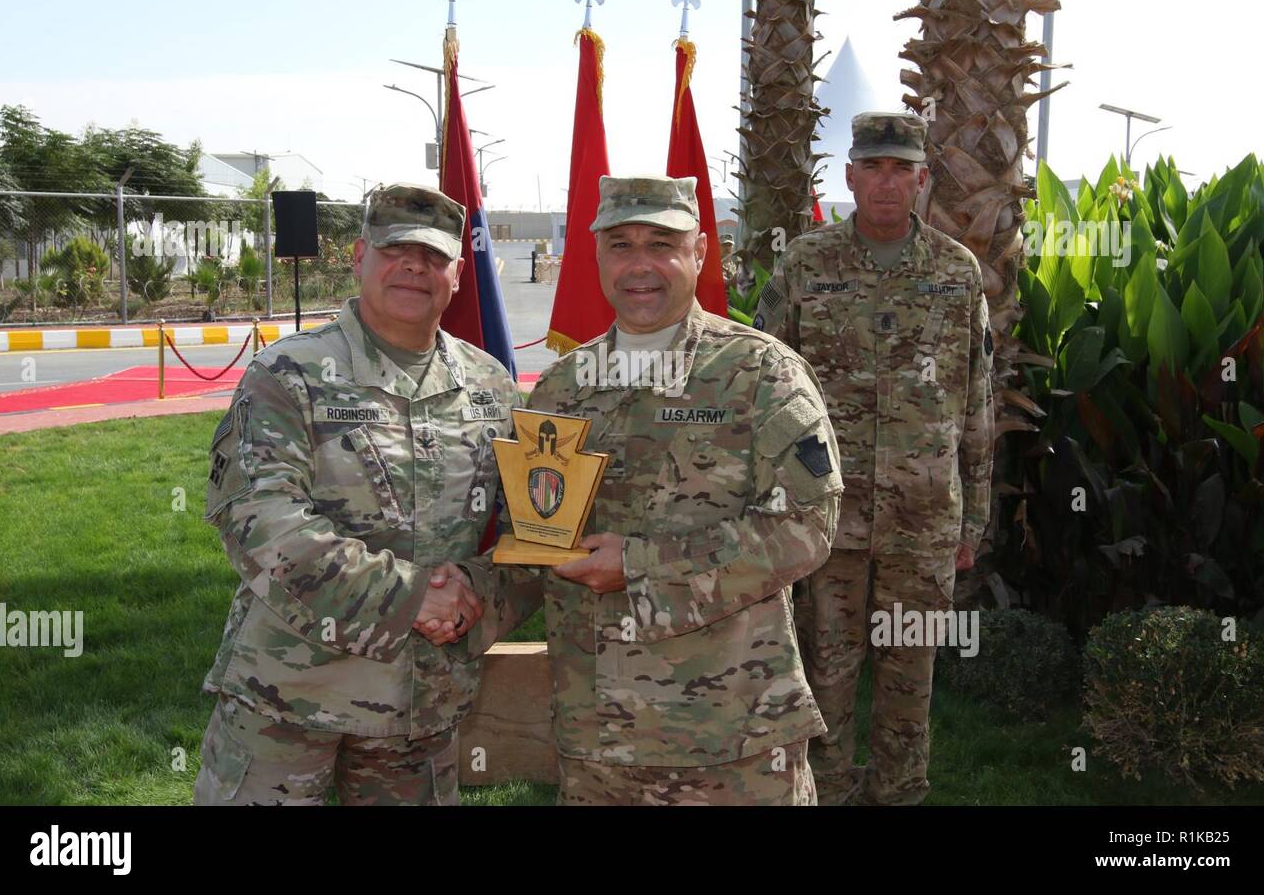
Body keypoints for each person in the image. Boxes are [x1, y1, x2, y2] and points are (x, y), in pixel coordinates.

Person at [451, 175, 843, 805]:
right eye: (621, 244)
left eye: (662, 243)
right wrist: (462, 597)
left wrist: (637, 566)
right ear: (597, 256)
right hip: (596, 739)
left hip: (731, 739)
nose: (640, 266)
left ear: (701, 252)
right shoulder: (563, 388)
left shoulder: (759, 373)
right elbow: (540, 542)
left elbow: (807, 525)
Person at [193, 182, 537, 805]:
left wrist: (475, 594)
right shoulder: (288, 374)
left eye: (434, 256)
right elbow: (261, 521)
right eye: (395, 250)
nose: (415, 266)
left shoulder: (490, 386)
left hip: (419, 709)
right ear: (358, 258)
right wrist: (412, 598)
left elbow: (534, 530)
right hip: (288, 698)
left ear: (458, 275)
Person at [753, 112, 994, 805]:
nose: (887, 182)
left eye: (901, 169)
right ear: (851, 176)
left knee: (909, 674)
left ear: (922, 180)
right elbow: (765, 389)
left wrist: (971, 524)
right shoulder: (806, 264)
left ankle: (900, 793)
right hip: (826, 517)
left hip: (923, 520)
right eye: (873, 167)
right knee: (825, 672)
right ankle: (823, 794)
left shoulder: (956, 272)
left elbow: (976, 402)